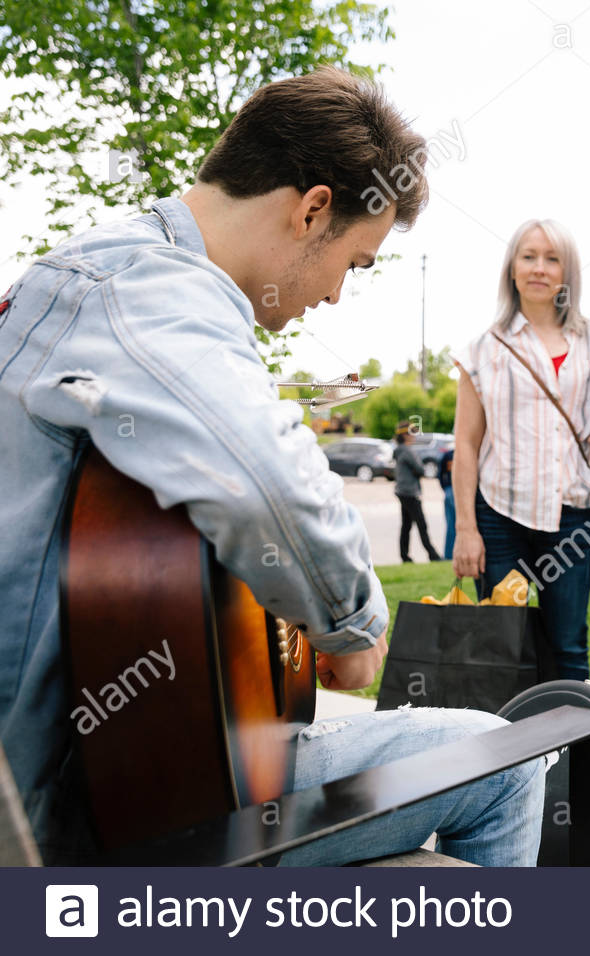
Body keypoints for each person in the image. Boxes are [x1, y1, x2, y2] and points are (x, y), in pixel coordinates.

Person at [0, 68, 542, 866]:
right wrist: (354, 626)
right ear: (312, 208)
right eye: (354, 265)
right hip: (83, 816)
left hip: (127, 760)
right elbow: (267, 486)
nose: (334, 297)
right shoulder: (150, 289)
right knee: (506, 760)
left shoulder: (97, 274)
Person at [451, 219, 590, 681]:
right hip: (499, 516)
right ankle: (508, 752)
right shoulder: (482, 349)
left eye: (552, 259)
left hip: (571, 517)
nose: (539, 268)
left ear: (567, 273)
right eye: (528, 256)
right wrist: (467, 531)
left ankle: (569, 751)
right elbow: (466, 445)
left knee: (568, 649)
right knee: (502, 650)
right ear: (511, 268)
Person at [393, 421, 440, 563]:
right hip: (409, 492)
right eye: (411, 433)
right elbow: (420, 469)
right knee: (421, 524)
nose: (414, 436)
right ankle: (433, 555)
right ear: (405, 435)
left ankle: (404, 556)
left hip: (402, 491)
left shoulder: (399, 450)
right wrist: (420, 469)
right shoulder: (407, 451)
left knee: (406, 525)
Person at [437, 445, 456, 557]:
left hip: (450, 490)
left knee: (451, 525)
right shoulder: (450, 455)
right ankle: (449, 554)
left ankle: (448, 555)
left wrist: (446, 488)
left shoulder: (448, 455)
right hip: (455, 490)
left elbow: (440, 474)